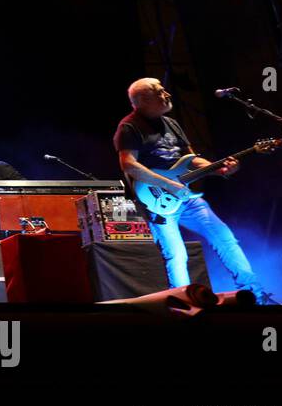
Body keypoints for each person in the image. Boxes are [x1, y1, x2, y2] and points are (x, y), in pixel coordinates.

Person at [114, 78, 269, 302]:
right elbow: (128, 164)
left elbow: (191, 159)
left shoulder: (172, 123)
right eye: (160, 91)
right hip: (159, 202)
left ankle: (255, 295)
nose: (166, 93)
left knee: (225, 238)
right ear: (143, 100)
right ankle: (185, 304)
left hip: (186, 197)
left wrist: (219, 169)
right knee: (177, 255)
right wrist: (168, 184)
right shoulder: (129, 126)